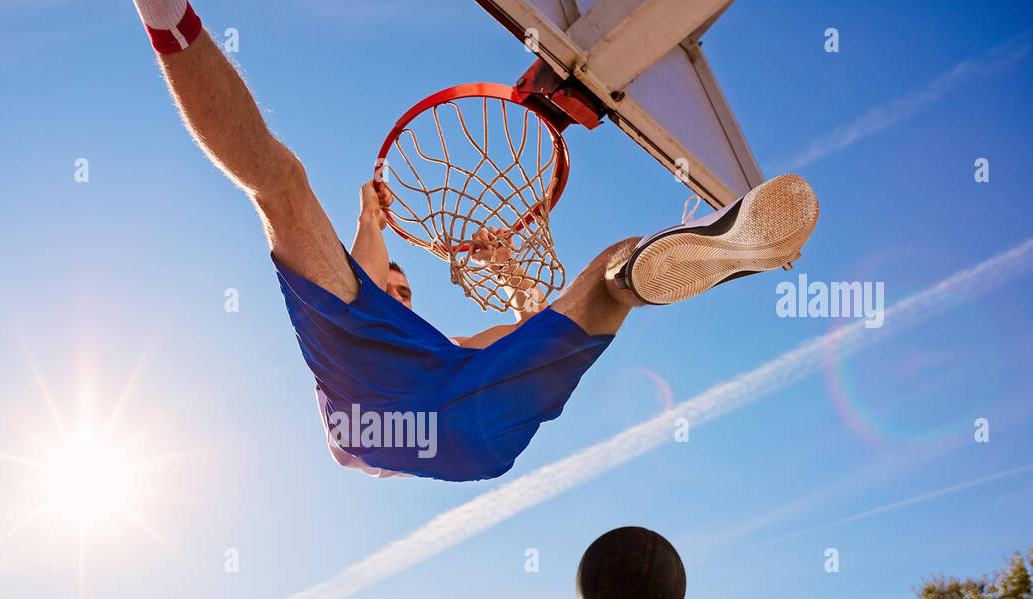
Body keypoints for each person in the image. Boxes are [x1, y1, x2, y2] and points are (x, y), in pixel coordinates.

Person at [131, 1, 819, 481]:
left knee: (609, 276)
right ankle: (661, 262)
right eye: (397, 283)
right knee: (286, 190)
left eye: (401, 286)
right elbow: (377, 281)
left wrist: (512, 269)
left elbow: (527, 332)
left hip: (462, 429)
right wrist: (371, 222)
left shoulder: (431, 352)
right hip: (441, 424)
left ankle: (655, 264)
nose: (396, 287)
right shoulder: (378, 333)